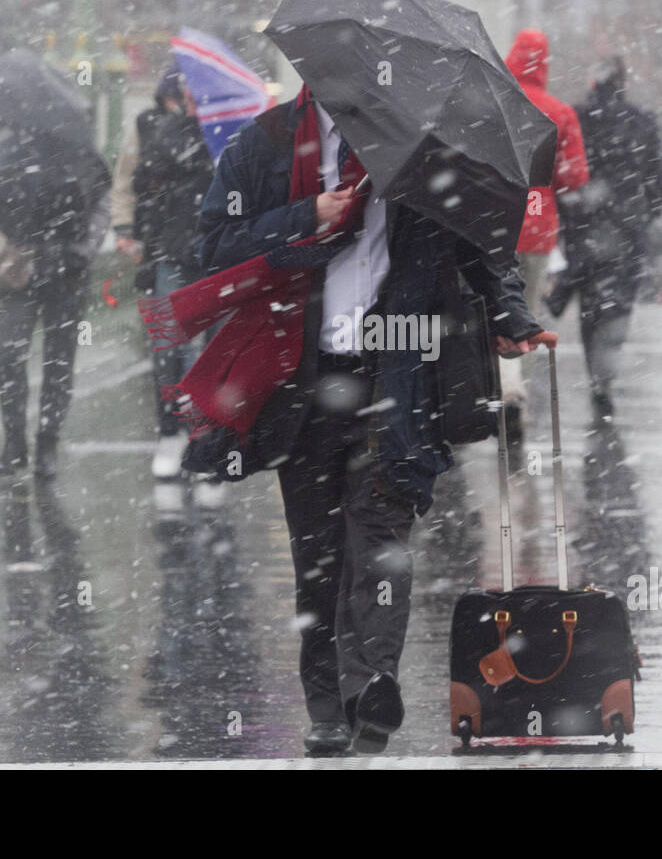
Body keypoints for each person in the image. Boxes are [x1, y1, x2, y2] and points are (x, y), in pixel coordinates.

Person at [181, 86, 555, 755]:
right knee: (317, 559)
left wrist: (511, 317)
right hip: (301, 384)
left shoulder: (420, 145)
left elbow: (481, 238)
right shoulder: (266, 144)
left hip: (396, 379)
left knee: (381, 538)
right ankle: (327, 706)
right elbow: (212, 245)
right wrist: (303, 218)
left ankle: (373, 680)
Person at [548, 55, 662, 421]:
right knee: (618, 303)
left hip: (584, 224)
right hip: (627, 230)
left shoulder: (576, 117)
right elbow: (658, 181)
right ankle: (605, 378)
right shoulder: (643, 122)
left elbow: (561, 171)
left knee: (589, 304)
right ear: (622, 82)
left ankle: (595, 374)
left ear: (593, 82)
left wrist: (569, 210)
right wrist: (646, 213)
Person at [111, 63, 216, 479]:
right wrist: (132, 232)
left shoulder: (227, 134)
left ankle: (198, 436)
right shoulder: (157, 130)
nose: (187, 103)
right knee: (169, 348)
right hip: (170, 253)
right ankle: (173, 433)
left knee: (198, 352)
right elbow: (134, 181)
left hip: (211, 256)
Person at [0, 143, 112, 482]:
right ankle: (14, 441)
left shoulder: (83, 152)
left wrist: (85, 247)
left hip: (69, 271)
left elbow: (103, 203)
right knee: (8, 354)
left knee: (59, 359)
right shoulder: (9, 154)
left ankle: (47, 443)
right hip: (20, 268)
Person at [500, 29, 589, 462]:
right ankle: (517, 393)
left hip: (493, 224)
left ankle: (500, 384)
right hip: (537, 228)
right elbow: (575, 177)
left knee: (491, 307)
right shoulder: (559, 113)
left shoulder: (496, 103)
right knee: (528, 312)